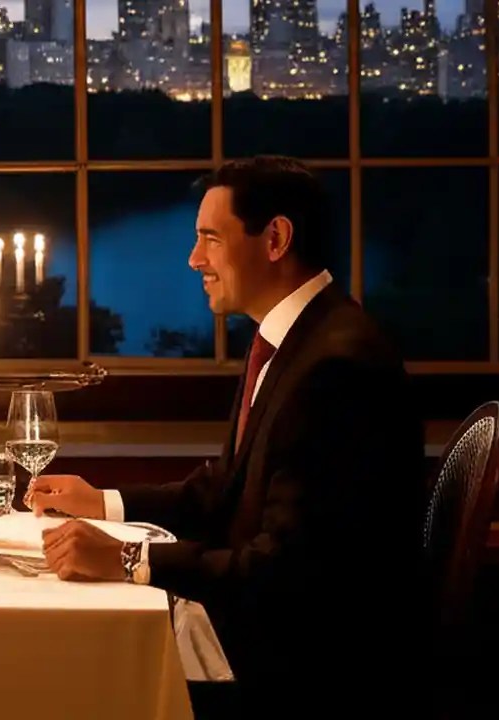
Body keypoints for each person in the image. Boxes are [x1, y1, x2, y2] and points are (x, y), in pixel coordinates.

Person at [28, 157, 431, 716]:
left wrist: (130, 561)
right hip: (273, 639)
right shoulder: (298, 337)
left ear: (276, 238)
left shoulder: (337, 367)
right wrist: (103, 502)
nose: (195, 259)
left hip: (297, 675)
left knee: (55, 673)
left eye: (211, 239)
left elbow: (289, 570)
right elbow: (227, 489)